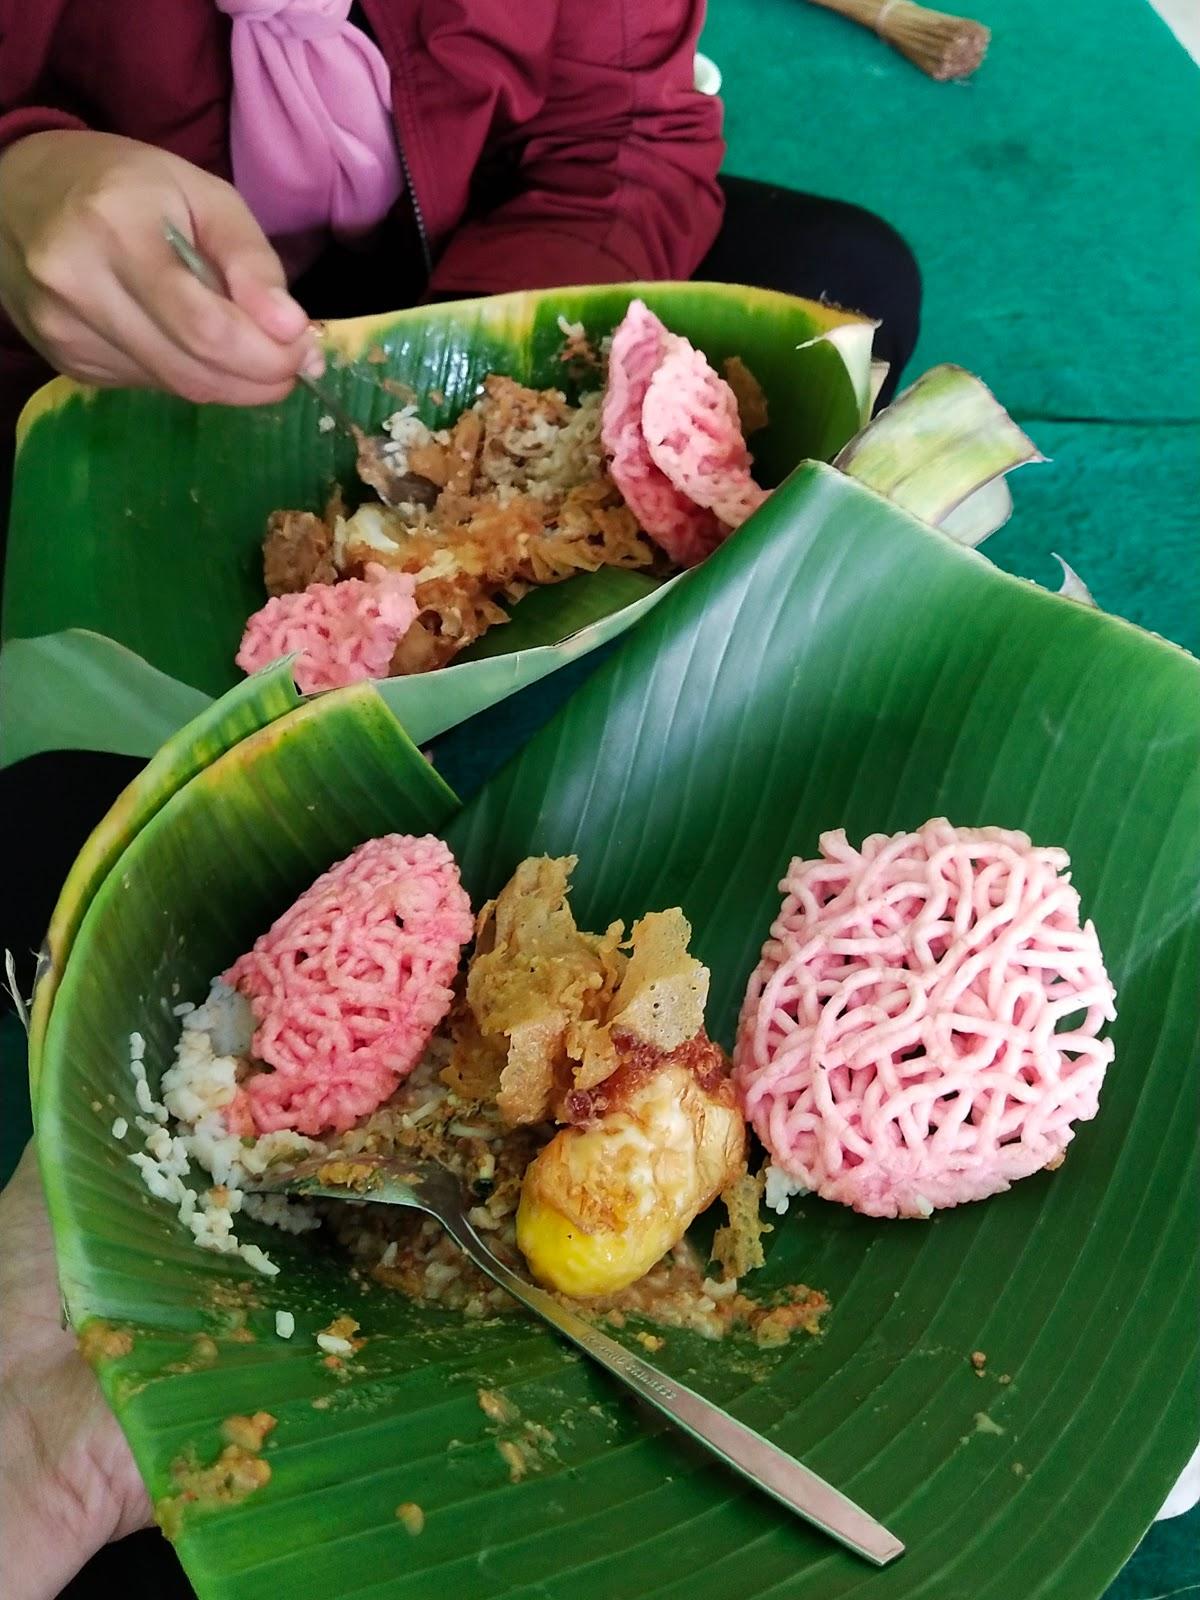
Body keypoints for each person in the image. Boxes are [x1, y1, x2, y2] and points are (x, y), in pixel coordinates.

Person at [0, 5, 922, 1594]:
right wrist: (15, 187)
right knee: (62, 820)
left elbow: (627, 129)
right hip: (78, 363)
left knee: (847, 278)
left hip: (432, 295)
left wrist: (471, 388)